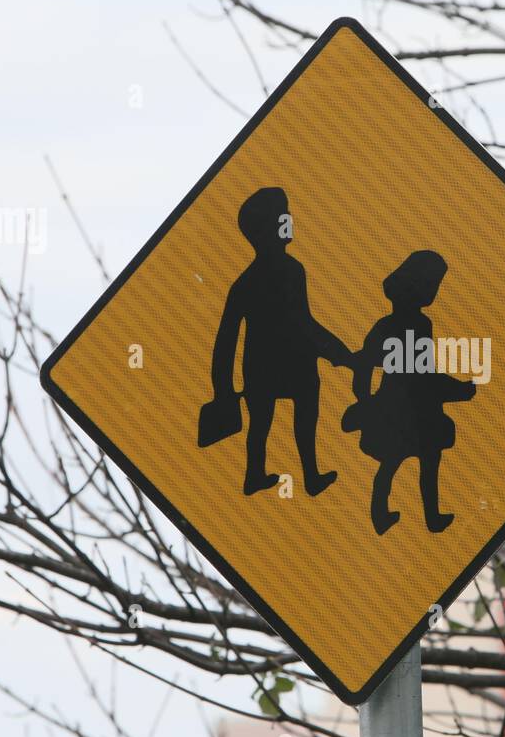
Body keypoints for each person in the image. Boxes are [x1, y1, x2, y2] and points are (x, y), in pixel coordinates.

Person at [201, 186, 350, 497]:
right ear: (268, 229)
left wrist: (224, 388)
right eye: (284, 217)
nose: (290, 221)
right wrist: (339, 353)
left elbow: (227, 341)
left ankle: (301, 475)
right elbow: (302, 323)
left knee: (268, 422)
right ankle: (268, 475)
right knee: (271, 422)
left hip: (269, 368)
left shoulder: (252, 280)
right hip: (288, 366)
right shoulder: (285, 273)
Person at [342, 250, 476, 535]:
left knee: (421, 462)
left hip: (417, 408)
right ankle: (384, 514)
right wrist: (364, 401)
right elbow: (370, 364)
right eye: (429, 284)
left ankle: (430, 516)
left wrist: (456, 388)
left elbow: (421, 370)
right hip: (400, 408)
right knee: (396, 462)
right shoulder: (392, 326)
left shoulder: (417, 325)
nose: (431, 291)